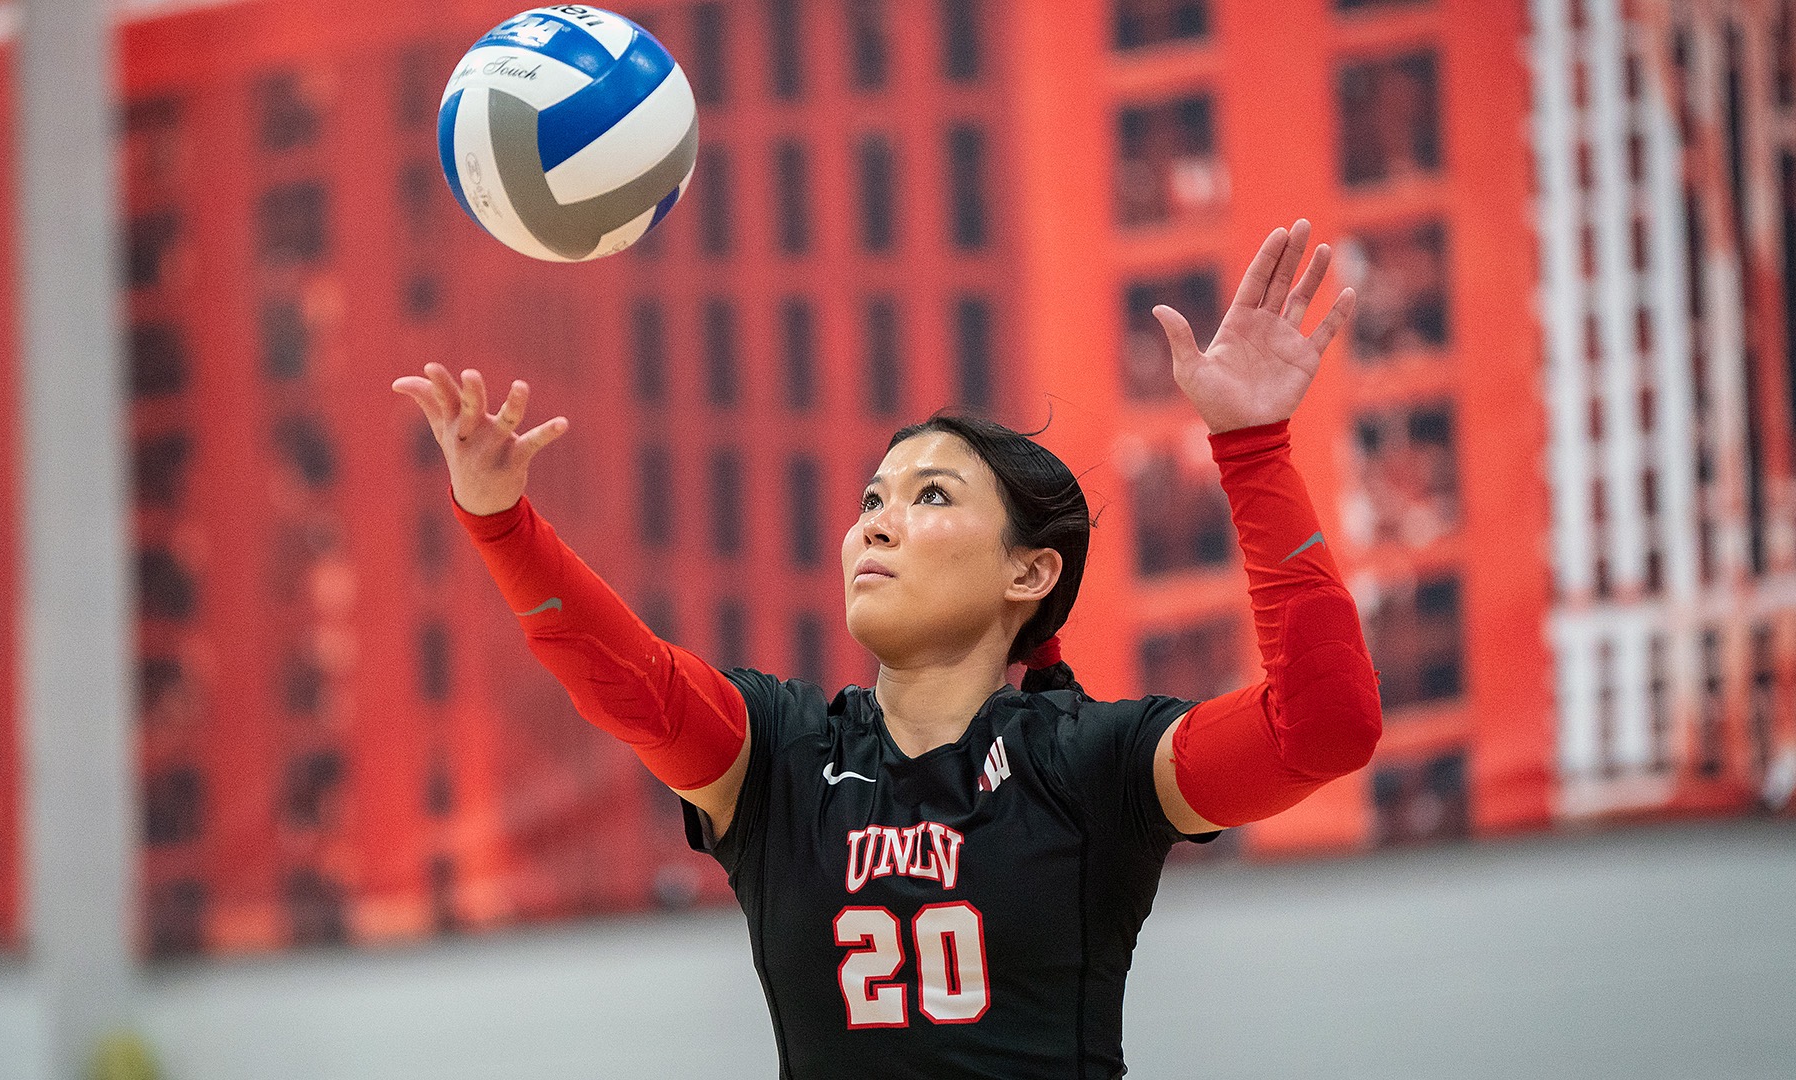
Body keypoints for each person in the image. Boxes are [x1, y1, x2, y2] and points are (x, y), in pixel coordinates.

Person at [393, 220, 1383, 1079]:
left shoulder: (1090, 762)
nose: (876, 521)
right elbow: (627, 683)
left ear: (1029, 572)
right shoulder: (780, 758)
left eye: (930, 496)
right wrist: (499, 520)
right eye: (871, 499)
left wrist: (1253, 447)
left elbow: (1325, 729)